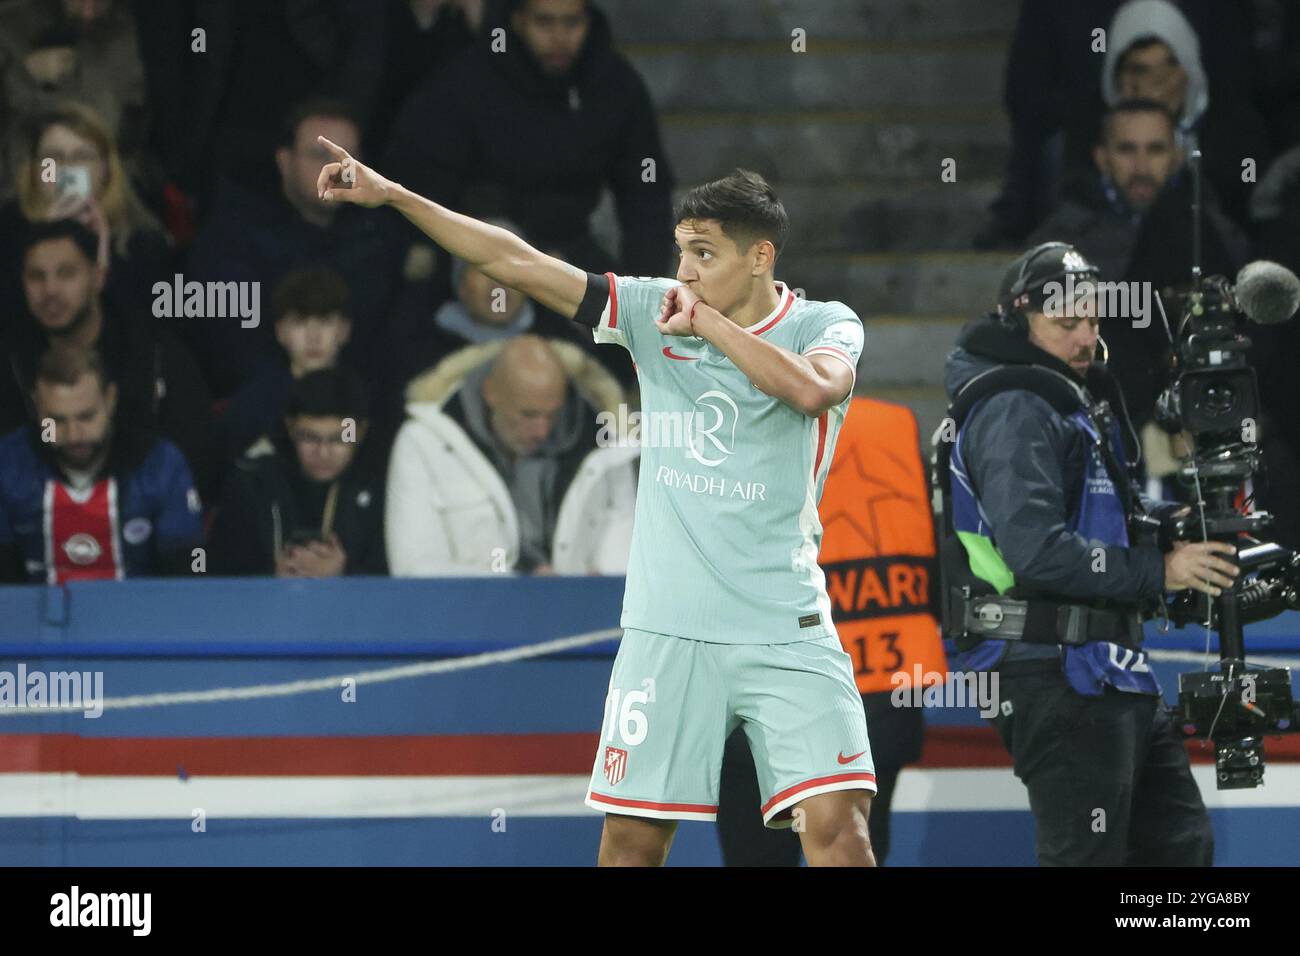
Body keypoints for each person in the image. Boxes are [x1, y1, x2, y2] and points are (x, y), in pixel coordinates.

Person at [314, 140, 875, 865]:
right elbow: (516, 262)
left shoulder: (822, 325)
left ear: (760, 256)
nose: (684, 272)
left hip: (786, 623)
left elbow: (811, 389)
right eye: (680, 252)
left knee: (838, 831)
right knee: (630, 844)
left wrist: (703, 322)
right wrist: (396, 196)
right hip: (668, 629)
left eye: (703, 253)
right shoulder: (650, 311)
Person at [935, 241, 1238, 865]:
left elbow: (1099, 519)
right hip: (1054, 669)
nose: (1084, 337)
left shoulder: (1066, 399)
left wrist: (1167, 524)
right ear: (1019, 322)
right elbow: (1034, 550)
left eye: (1093, 321)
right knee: (1092, 856)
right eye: (1065, 322)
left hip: (1106, 665)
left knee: (1178, 851)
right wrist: (1162, 569)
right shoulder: (1015, 404)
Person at [384, 0, 675, 281]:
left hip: (571, 249)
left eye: (571, 22)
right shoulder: (469, 81)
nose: (559, 37)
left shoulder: (613, 85)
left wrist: (644, 285)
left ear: (587, 20)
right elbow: (426, 172)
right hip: (481, 249)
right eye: (544, 22)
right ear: (519, 20)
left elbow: (646, 191)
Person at [1028, 98, 1247, 431]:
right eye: (1127, 150)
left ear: (1176, 156)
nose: (1142, 167)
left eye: (1155, 150)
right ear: (1103, 158)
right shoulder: (1062, 239)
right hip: (1106, 405)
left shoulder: (1213, 231)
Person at [186, 97, 402, 395]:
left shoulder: (382, 235)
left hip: (362, 406)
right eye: (318, 155)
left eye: (347, 160)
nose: (335, 171)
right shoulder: (230, 239)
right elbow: (231, 346)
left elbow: (391, 344)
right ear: (284, 161)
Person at [1, 219, 217, 499]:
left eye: (66, 274)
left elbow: (200, 461)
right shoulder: (10, 362)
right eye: (36, 277)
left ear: (98, 276)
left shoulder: (156, 355)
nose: (50, 289)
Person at [385, 333, 635, 575]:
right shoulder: (423, 443)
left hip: (594, 616)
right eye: (528, 414)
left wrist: (600, 585)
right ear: (490, 393)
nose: (542, 430)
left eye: (553, 414)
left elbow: (625, 555)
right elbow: (416, 569)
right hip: (467, 616)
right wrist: (523, 587)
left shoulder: (610, 446)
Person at [0, 347, 202, 583]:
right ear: (36, 406)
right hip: (33, 616)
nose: (74, 435)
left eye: (86, 417)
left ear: (110, 399)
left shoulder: (160, 464)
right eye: (56, 420)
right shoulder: (8, 464)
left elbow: (190, 570)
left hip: (141, 614)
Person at [0, 100, 171, 331]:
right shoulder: (9, 229)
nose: (67, 170)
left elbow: (141, 328)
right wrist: (44, 235)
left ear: (105, 170)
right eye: (53, 158)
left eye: (82, 157)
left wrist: (101, 264)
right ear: (36, 170)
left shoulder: (141, 241)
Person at [209, 368, 386, 578]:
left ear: (361, 431)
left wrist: (344, 574)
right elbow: (217, 573)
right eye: (310, 438)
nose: (323, 452)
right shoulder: (252, 482)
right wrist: (270, 577)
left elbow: (401, 584)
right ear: (290, 428)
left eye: (339, 439)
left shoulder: (382, 487)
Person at [223, 266, 355, 461]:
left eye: (325, 321)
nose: (313, 337)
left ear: (344, 330)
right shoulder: (252, 405)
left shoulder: (365, 399)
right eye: (300, 322)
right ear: (280, 332)